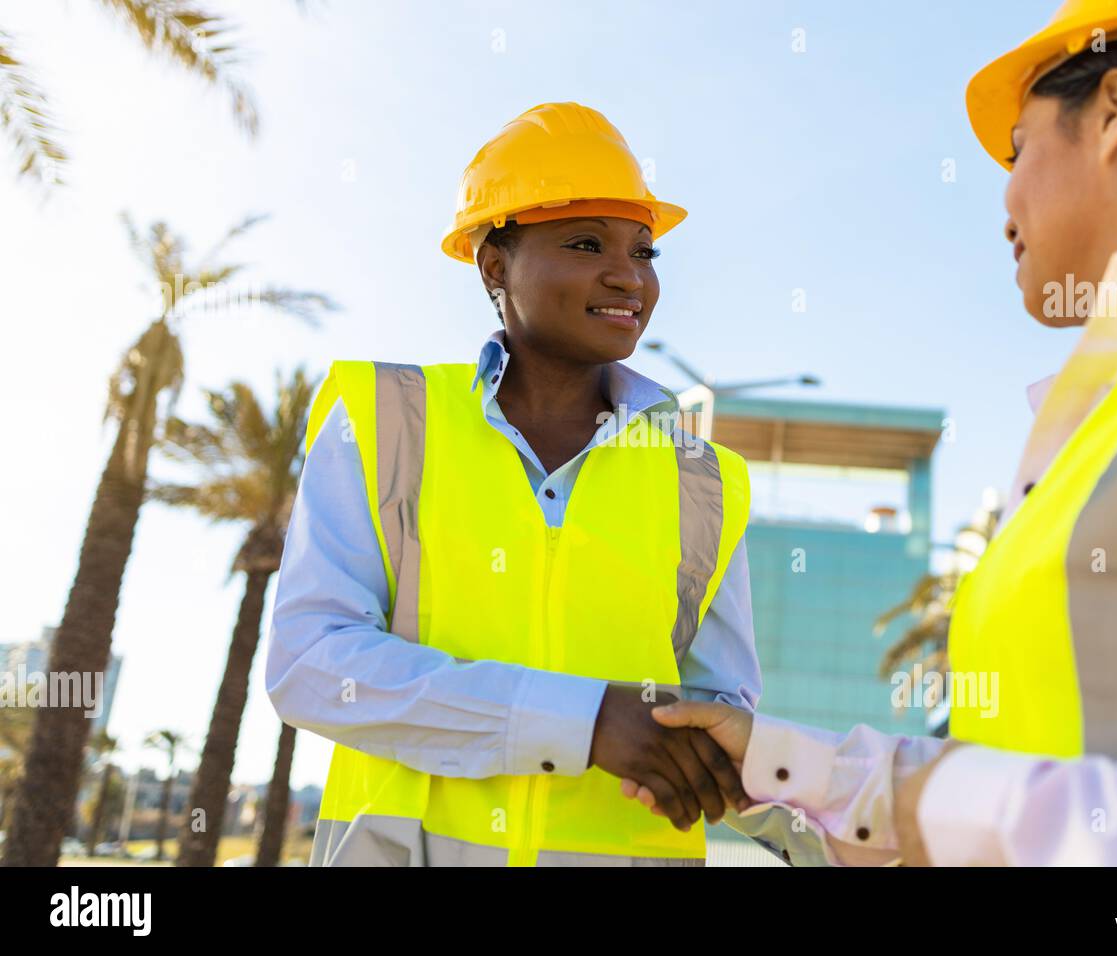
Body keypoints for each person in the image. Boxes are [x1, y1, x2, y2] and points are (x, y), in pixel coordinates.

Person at [621, 1, 1117, 865]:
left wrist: (941, 804)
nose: (1005, 205)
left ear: (1115, 108)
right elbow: (1030, 768)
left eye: (1018, 151)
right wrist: (776, 762)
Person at [265, 101, 761, 866]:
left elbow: (723, 720)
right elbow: (312, 662)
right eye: (587, 243)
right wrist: (581, 721)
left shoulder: (704, 479)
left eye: (645, 251)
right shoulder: (385, 417)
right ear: (495, 267)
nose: (627, 275)